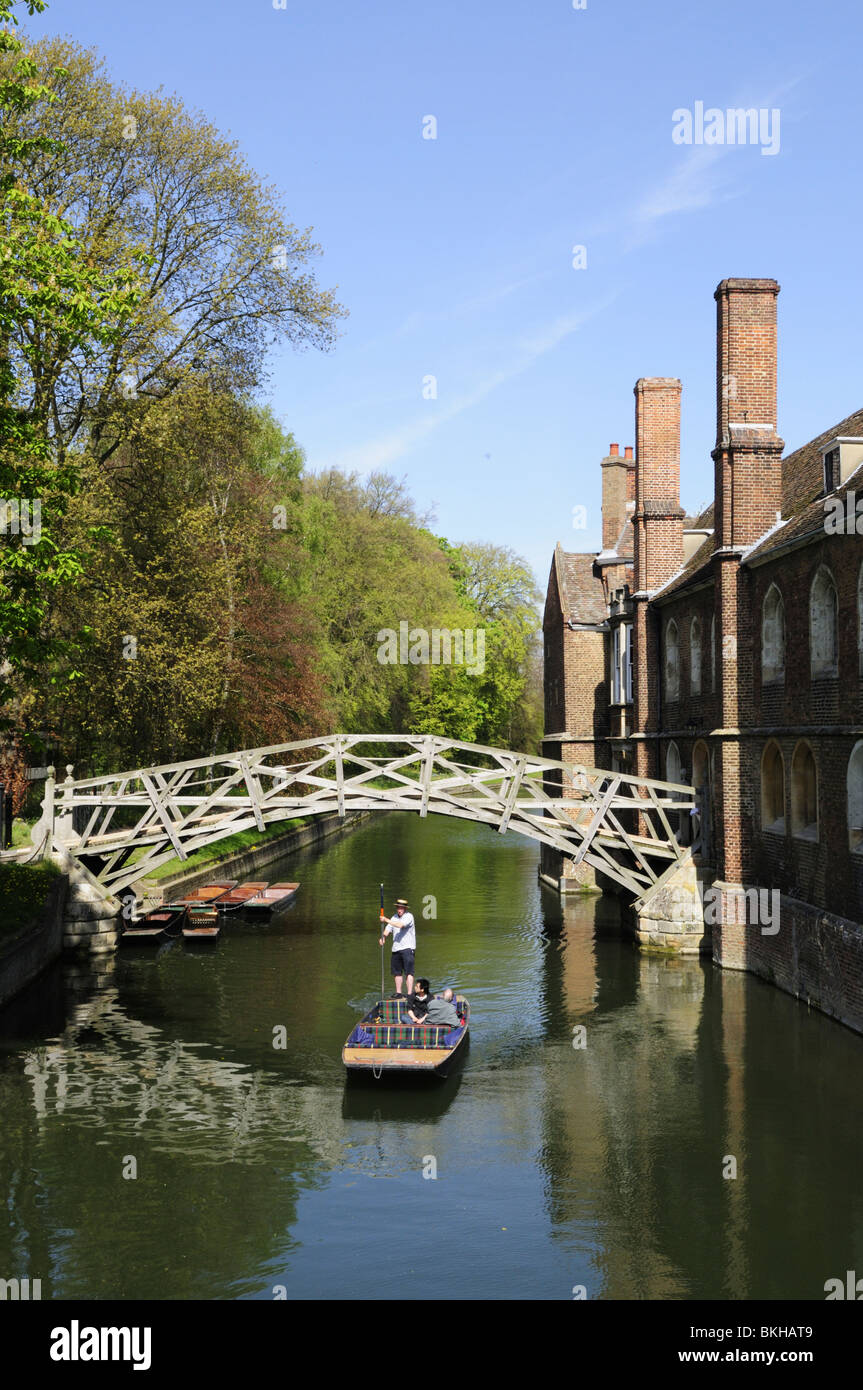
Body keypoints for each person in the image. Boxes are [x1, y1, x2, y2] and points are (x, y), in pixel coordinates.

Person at [379, 897, 416, 997]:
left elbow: (400, 925)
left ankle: (409, 994)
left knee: (409, 972)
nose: (399, 910)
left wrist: (385, 919)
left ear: (405, 909)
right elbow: (388, 929)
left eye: (401, 908)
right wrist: (383, 937)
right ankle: (399, 993)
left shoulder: (409, 916)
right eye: (398, 908)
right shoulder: (394, 917)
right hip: (396, 949)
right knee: (397, 972)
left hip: (408, 948)